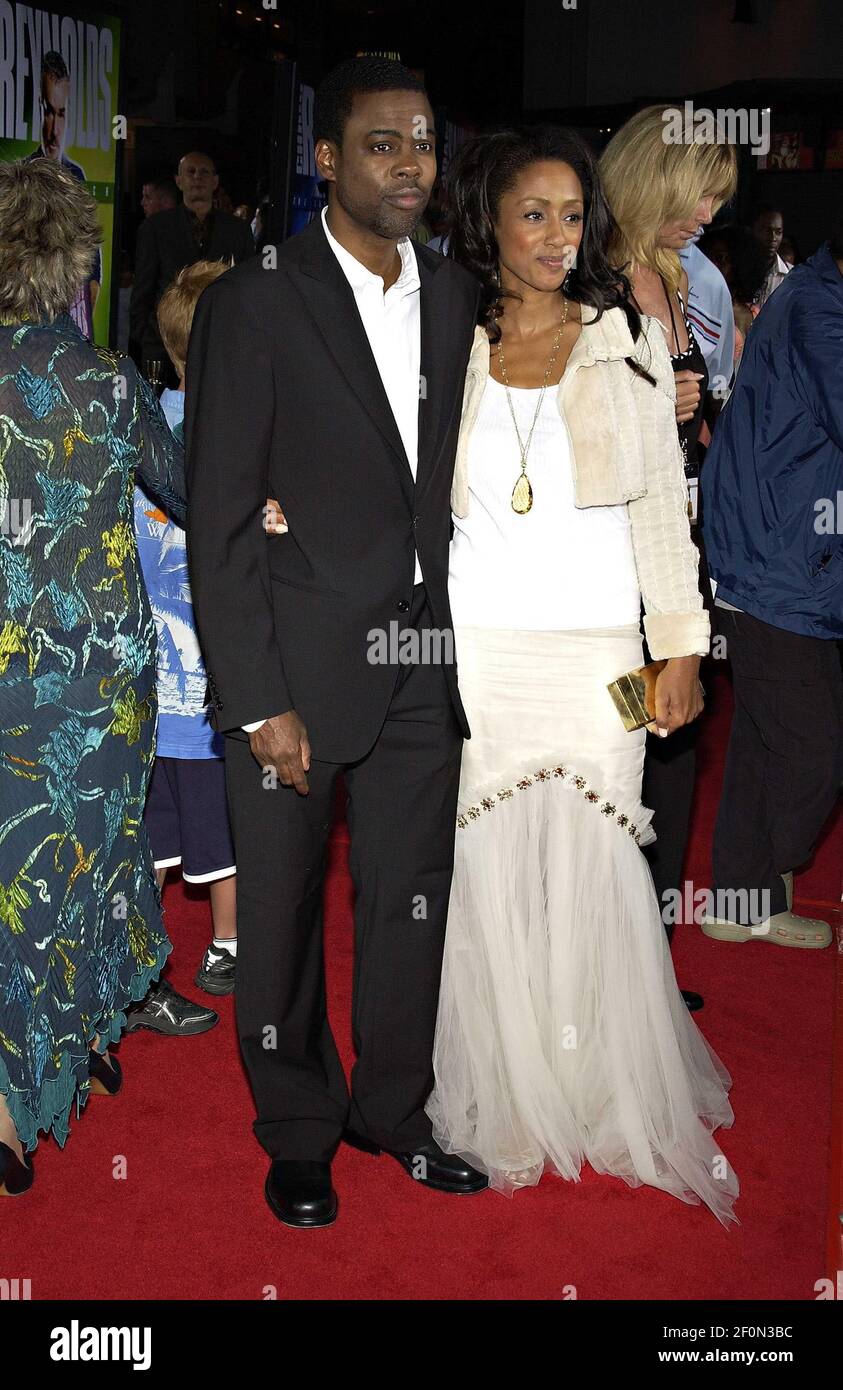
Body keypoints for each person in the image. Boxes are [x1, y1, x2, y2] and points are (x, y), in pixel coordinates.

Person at [184, 57, 488, 1229]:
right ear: (325, 161)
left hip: (422, 652)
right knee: (286, 903)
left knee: (413, 893)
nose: (409, 162)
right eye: (381, 143)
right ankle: (300, 1124)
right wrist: (256, 696)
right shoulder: (255, 297)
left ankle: (393, 1113)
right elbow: (219, 514)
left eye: (422, 141)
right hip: (297, 656)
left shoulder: (455, 292)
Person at [423, 125, 738, 1224]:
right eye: (533, 215)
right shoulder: (445, 342)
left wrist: (681, 646)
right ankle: (507, 1097)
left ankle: (604, 1087)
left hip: (603, 646)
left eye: (571, 215)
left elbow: (662, 512)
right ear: (489, 225)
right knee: (492, 868)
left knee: (601, 858)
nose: (558, 236)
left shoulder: (625, 341)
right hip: (484, 650)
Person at [0, 159, 186, 1195]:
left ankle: (17, 1100)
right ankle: (69, 1049)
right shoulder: (109, 381)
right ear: (76, 262)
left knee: (7, 884)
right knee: (88, 864)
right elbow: (191, 492)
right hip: (94, 689)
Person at [600, 107, 737, 1010]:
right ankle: (598, 959)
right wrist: (654, 405)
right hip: (608, 575)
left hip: (672, 555)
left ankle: (644, 963)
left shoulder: (678, 277)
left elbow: (695, 425)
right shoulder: (594, 280)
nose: (708, 217)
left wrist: (687, 407)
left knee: (673, 758)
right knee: (618, 753)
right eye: (700, 196)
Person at [700, 220, 843, 948]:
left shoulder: (814, 298)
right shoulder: (820, 309)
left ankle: (739, 903)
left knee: (763, 739)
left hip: (780, 556)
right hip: (777, 561)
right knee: (813, 745)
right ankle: (765, 876)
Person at [133, 262, 238, 1008]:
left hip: (143, 688)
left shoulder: (133, 422)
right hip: (210, 692)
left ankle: (139, 952)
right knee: (221, 831)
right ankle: (227, 947)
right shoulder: (234, 436)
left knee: (150, 832)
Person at [130, 152, 255, 382]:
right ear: (178, 180)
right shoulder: (155, 228)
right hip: (163, 349)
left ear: (215, 182)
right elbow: (142, 290)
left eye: (204, 172)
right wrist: (149, 338)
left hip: (221, 345)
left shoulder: (238, 230)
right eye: (190, 171)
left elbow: (247, 290)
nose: (197, 177)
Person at [23, 49, 101, 339]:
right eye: (47, 112)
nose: (54, 129)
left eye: (61, 113)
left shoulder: (76, 176)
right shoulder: (18, 179)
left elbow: (93, 268)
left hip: (69, 335)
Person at [698, 224, 770, 365]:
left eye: (721, 258)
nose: (713, 264)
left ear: (741, 262)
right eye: (709, 258)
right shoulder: (701, 312)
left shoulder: (756, 313)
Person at [752, 204, 791, 307]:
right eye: (767, 230)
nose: (773, 238)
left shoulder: (791, 276)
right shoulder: (740, 267)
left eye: (778, 232)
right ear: (754, 229)